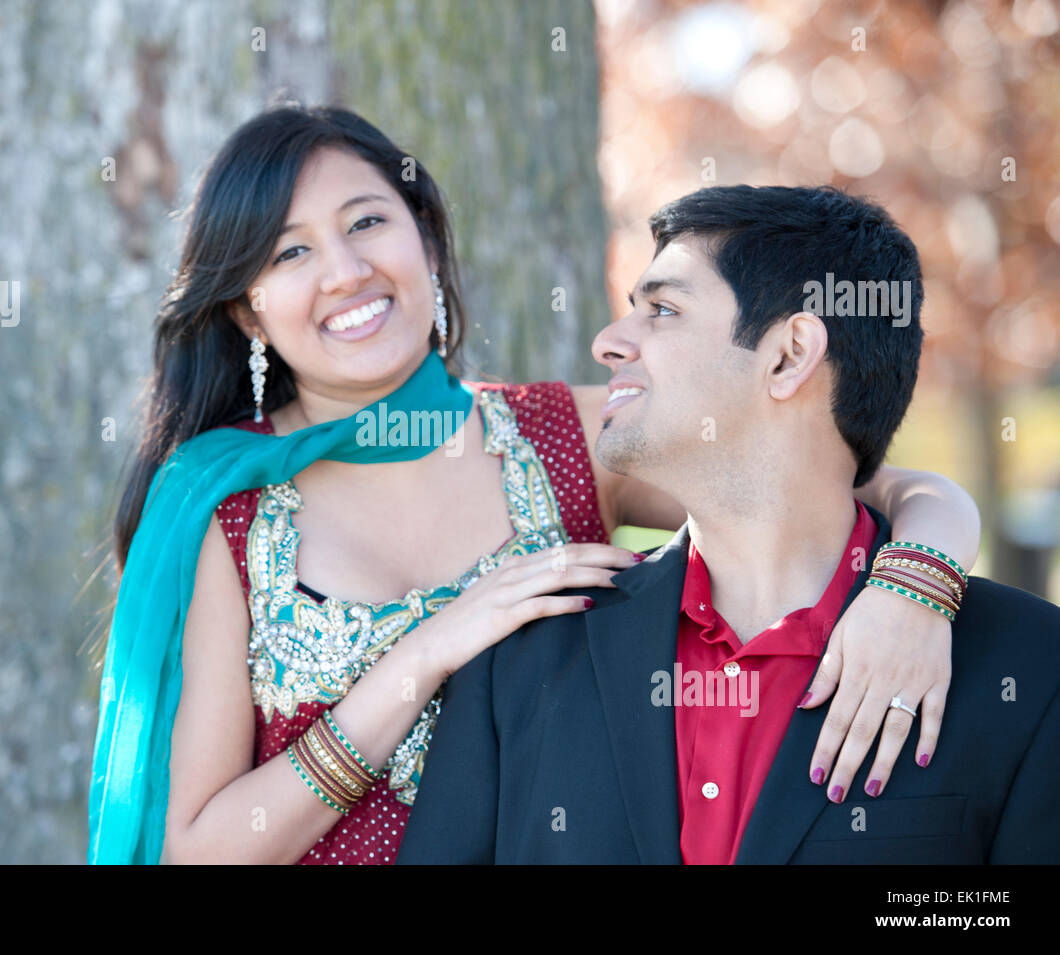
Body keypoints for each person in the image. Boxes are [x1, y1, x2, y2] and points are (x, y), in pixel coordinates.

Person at [87, 107, 981, 865]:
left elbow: (846, 481)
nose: (345, 271)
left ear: (426, 237)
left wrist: (916, 588)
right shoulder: (223, 508)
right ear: (248, 308)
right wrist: (422, 654)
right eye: (289, 253)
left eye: (367, 222)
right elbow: (199, 848)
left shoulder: (568, 437)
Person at [396, 184, 1060, 865]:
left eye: (662, 309)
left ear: (788, 355)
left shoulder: (1031, 667)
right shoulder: (522, 655)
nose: (608, 342)